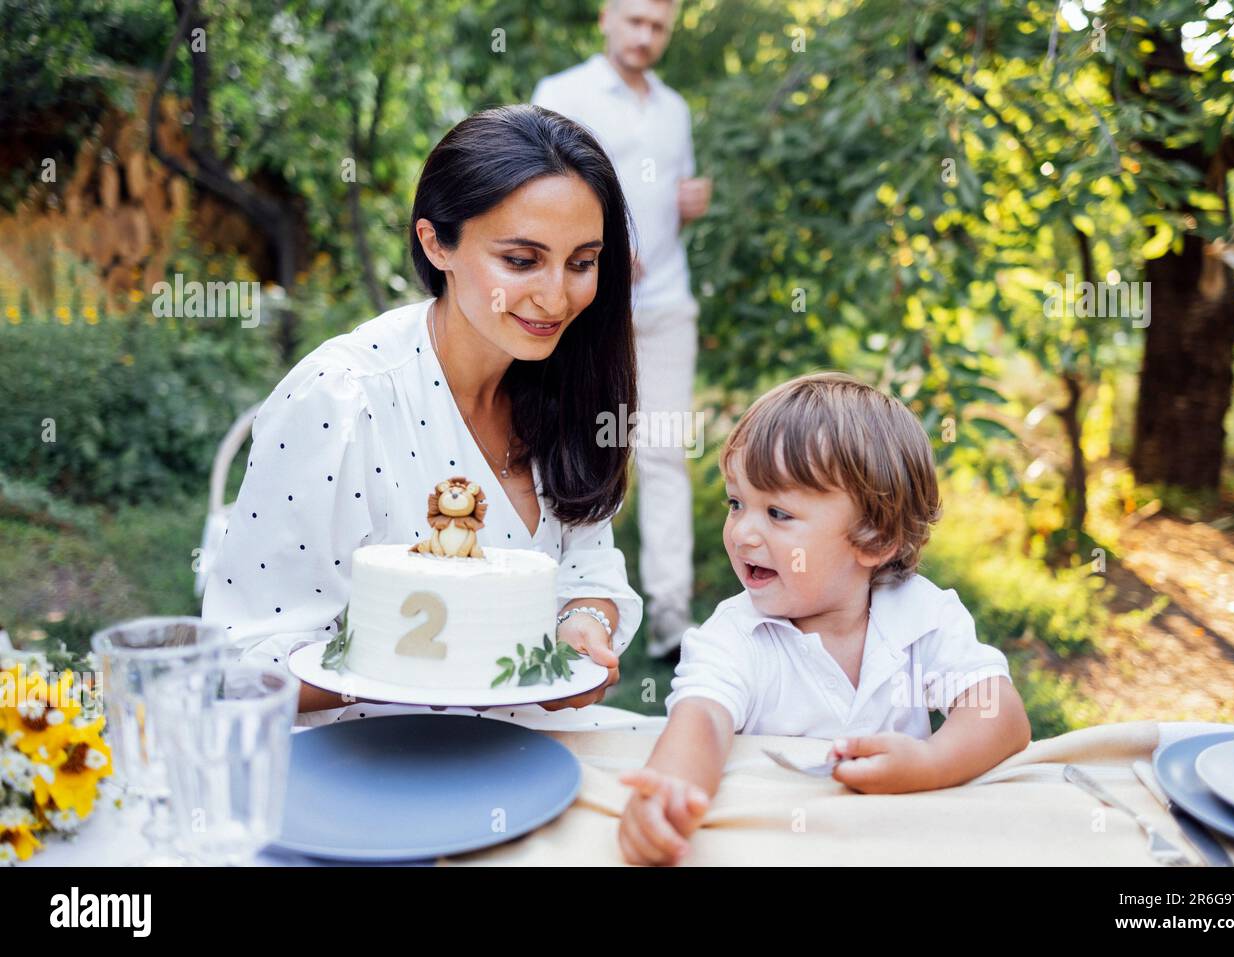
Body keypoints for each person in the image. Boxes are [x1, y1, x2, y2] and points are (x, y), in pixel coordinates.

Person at [202, 105, 643, 724]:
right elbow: (244, 662)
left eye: (581, 262)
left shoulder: (567, 384)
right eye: (520, 261)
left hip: (539, 748)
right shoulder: (340, 401)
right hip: (369, 766)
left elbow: (589, 566)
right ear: (436, 242)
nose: (555, 297)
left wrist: (583, 626)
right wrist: (433, 663)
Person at [617, 372, 1033, 865]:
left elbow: (1001, 716)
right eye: (736, 503)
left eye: (778, 513)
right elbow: (702, 720)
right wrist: (671, 789)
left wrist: (930, 762)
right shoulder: (737, 636)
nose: (743, 533)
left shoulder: (922, 616)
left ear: (874, 539)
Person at [533, 0, 711, 657]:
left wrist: (690, 206)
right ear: (607, 17)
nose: (644, 37)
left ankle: (670, 618)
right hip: (578, 300)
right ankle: (546, 596)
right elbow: (537, 193)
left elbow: (671, 201)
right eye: (634, 21)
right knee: (562, 437)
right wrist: (600, 246)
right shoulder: (563, 94)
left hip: (665, 302)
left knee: (664, 452)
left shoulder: (674, 109)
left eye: (658, 27)